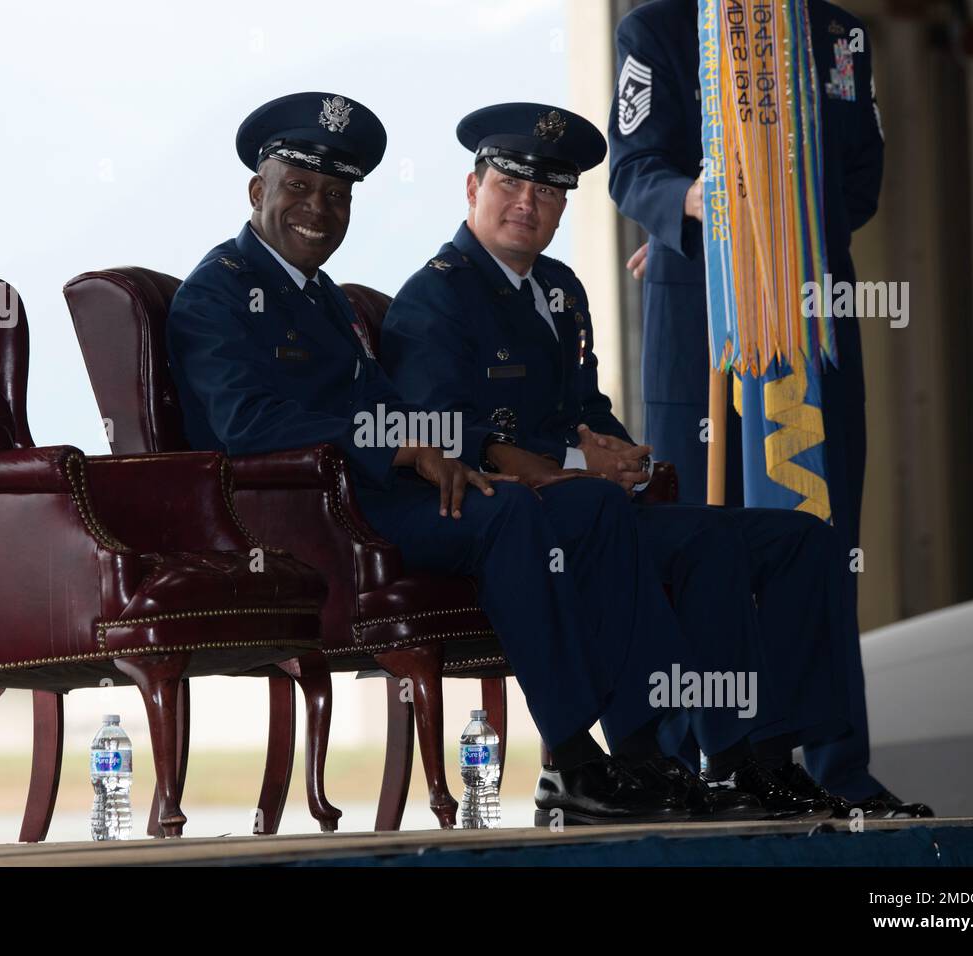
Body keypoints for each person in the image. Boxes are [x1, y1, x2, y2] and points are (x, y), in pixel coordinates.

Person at [164, 91, 763, 826]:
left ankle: (645, 755)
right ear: (259, 192)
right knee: (512, 511)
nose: (318, 209)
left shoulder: (321, 299)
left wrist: (452, 448)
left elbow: (388, 405)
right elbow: (246, 424)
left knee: (590, 503)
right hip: (304, 520)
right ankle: (571, 761)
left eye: (336, 194)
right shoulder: (218, 293)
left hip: (380, 497)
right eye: (298, 188)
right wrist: (407, 447)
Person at [380, 101, 927, 818]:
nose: (528, 203)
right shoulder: (437, 294)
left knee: (800, 540)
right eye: (509, 184)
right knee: (704, 547)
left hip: (594, 505)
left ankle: (768, 756)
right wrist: (578, 456)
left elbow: (587, 406)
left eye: (548, 191)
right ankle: (712, 757)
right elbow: (449, 431)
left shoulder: (560, 290)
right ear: (471, 188)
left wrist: (625, 453)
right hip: (529, 520)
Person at [606, 0, 927, 813]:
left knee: (820, 547)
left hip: (810, 319)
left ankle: (831, 769)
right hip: (698, 327)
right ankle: (695, 768)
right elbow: (634, 170)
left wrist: (769, 236)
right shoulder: (659, 29)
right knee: (694, 544)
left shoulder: (837, 33)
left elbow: (859, 180)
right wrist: (700, 210)